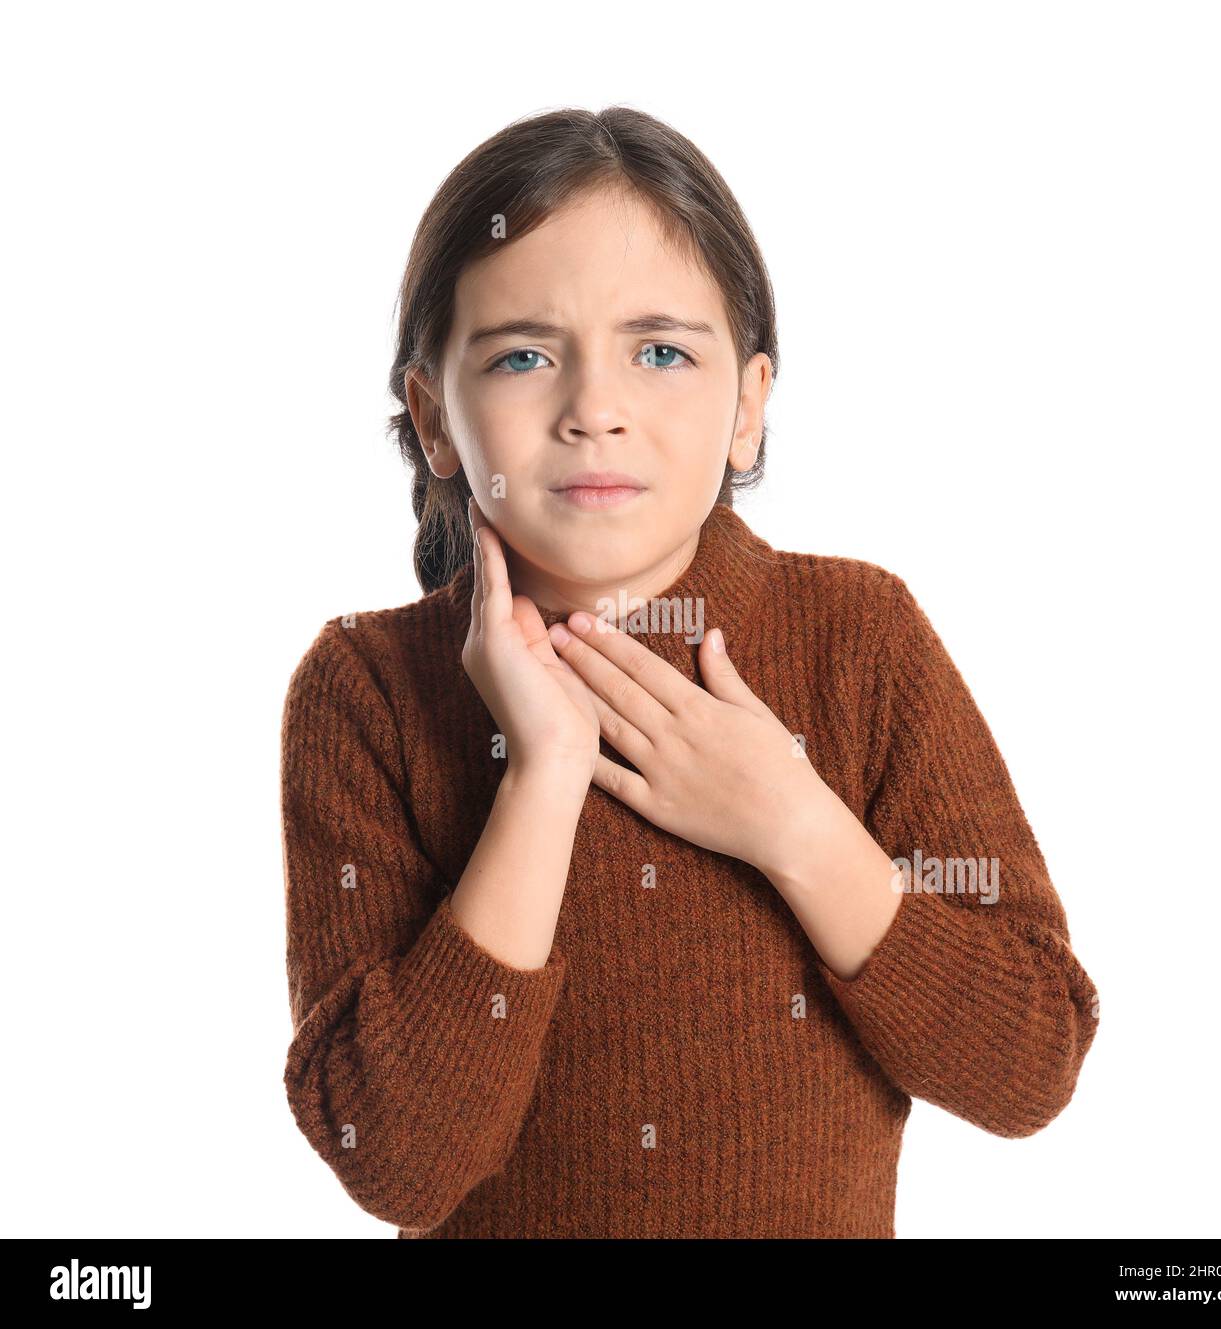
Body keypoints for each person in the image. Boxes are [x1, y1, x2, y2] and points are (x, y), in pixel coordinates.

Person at [279, 105, 1100, 1239]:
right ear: (433, 421)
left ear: (748, 406)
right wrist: (543, 775)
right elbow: (399, 1163)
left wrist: (796, 830)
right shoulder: (366, 689)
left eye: (659, 351)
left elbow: (1029, 1065)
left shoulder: (860, 636)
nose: (594, 412)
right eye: (523, 355)